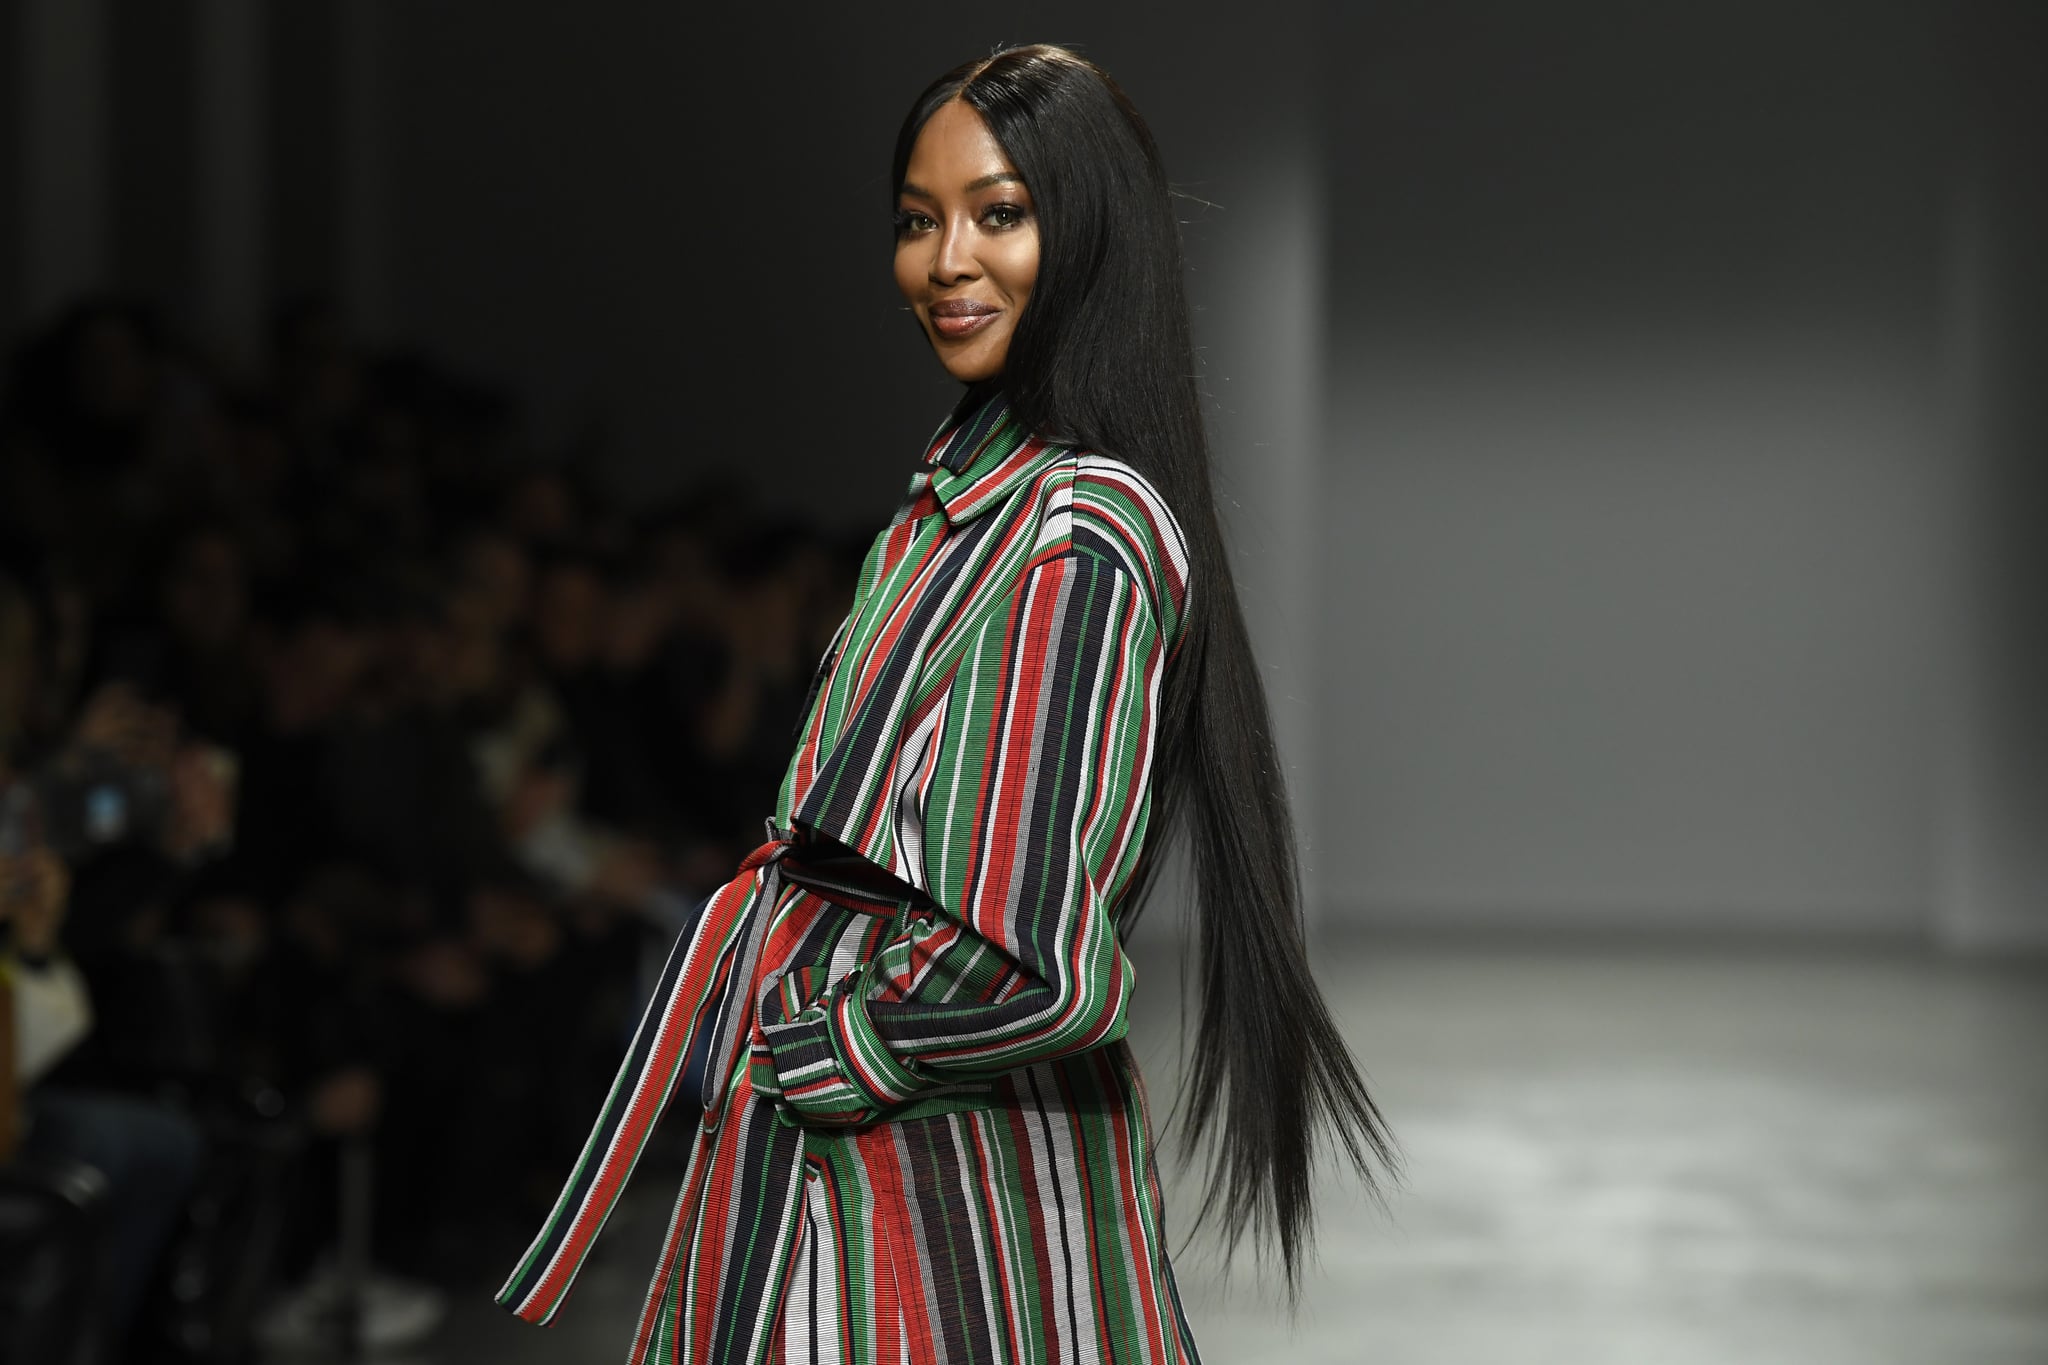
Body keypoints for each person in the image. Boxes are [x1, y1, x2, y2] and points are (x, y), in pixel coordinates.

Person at [498, 44, 1395, 1363]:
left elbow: (1040, 956)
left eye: (1001, 211)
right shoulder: (964, 502)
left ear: (1093, 229)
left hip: (918, 1154)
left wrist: (851, 1037)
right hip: (889, 1142)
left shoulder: (1073, 536)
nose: (946, 261)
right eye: (918, 221)